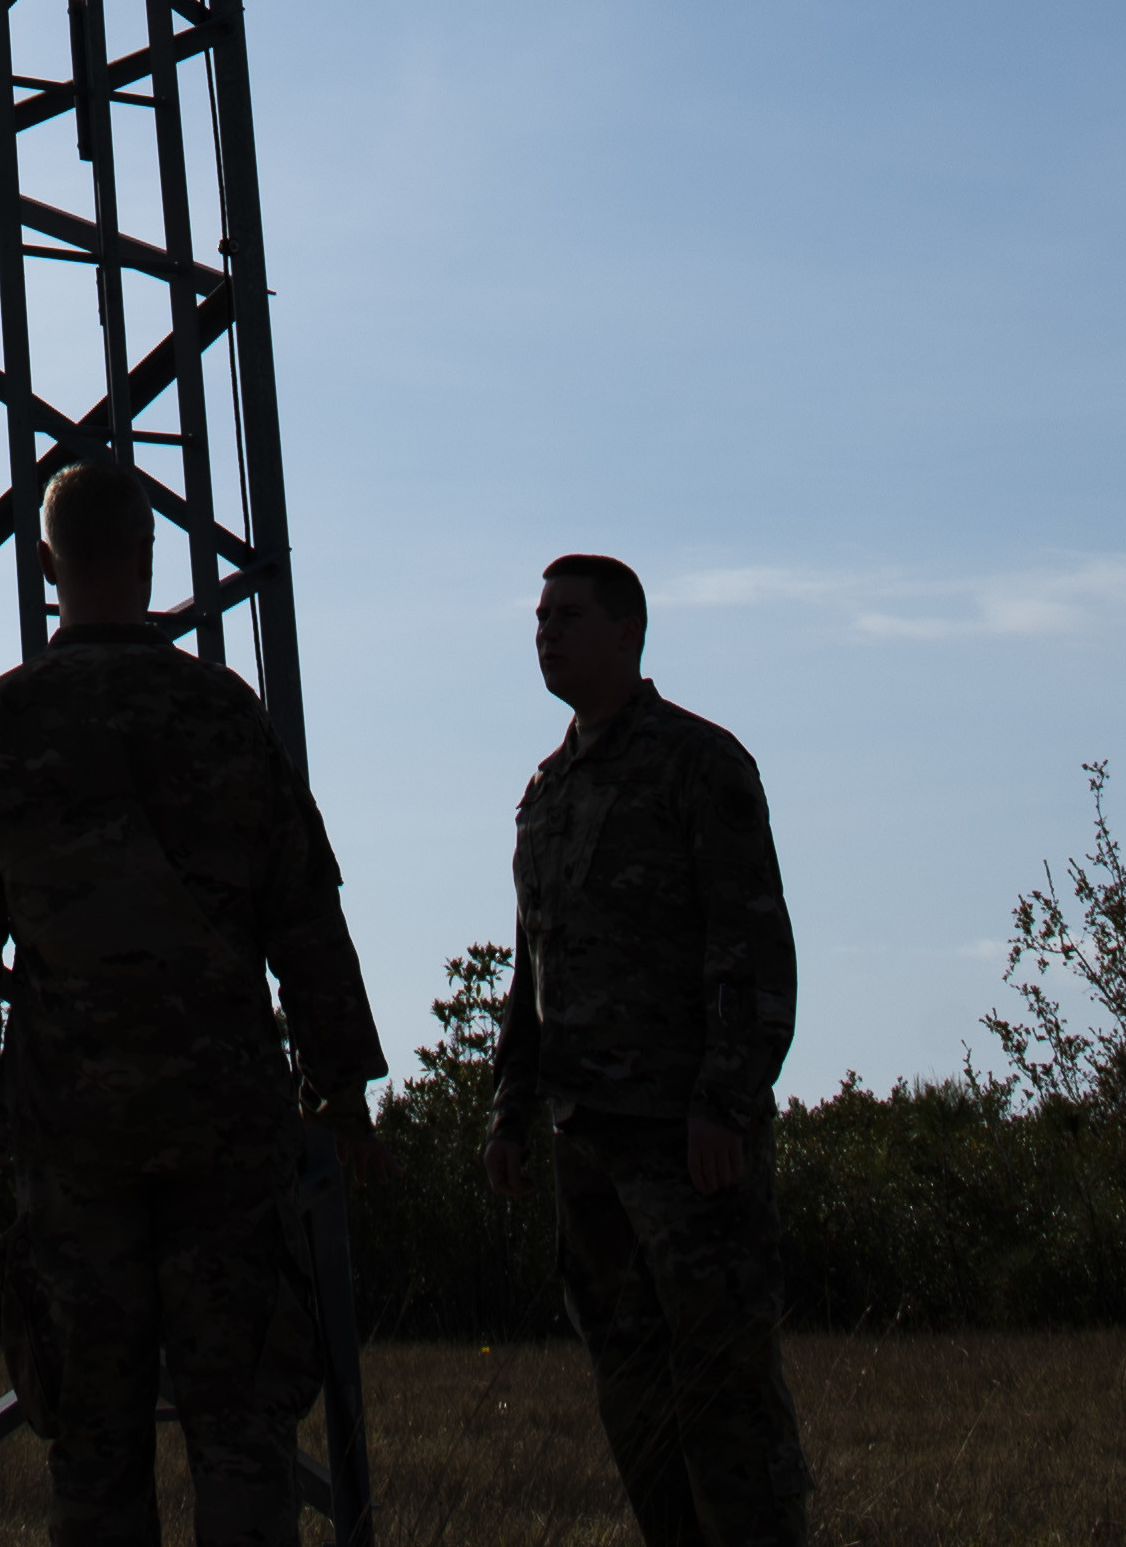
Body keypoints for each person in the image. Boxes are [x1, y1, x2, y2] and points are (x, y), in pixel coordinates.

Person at [0, 451, 387, 1547]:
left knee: (91, 1440)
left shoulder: (0, 724)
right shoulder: (221, 713)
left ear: (45, 565)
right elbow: (304, 916)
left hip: (69, 1133)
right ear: (147, 556)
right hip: (225, 1123)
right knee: (238, 1432)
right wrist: (342, 1090)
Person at [486, 551, 811, 1547]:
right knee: (630, 1393)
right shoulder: (545, 792)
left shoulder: (697, 764)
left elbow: (749, 944)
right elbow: (529, 970)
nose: (545, 632)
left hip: (683, 1142)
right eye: (538, 617)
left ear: (624, 632)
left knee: (722, 1389)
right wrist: (508, 1110)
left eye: (567, 616)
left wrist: (723, 1099)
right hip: (585, 1143)